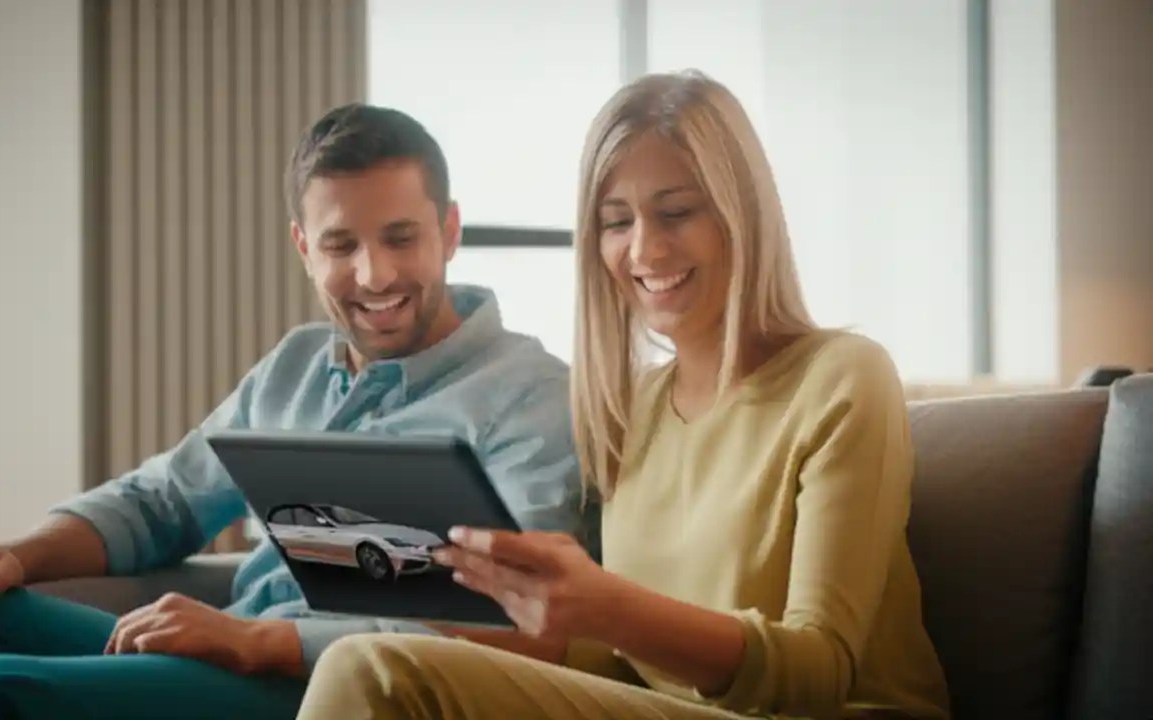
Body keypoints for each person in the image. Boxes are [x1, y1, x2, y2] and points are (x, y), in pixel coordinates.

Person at [0, 104, 591, 720]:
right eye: (341, 244)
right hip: (224, 656)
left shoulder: (532, 397)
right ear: (304, 248)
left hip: (340, 691)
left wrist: (265, 643)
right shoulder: (296, 367)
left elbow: (527, 633)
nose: (375, 275)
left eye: (401, 237)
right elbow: (162, 501)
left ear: (450, 231)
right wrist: (15, 555)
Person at [295, 71, 952, 720]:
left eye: (676, 213)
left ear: (741, 212)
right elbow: (622, 669)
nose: (644, 249)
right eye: (616, 222)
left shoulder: (840, 378)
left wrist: (608, 606)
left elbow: (819, 673)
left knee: (368, 669)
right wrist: (470, 613)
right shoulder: (630, 413)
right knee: (371, 654)